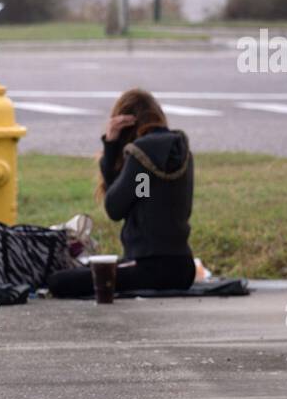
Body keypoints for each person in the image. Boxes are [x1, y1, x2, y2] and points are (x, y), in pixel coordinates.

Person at [49, 88, 195, 298]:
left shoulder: (141, 153)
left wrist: (110, 147)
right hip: (183, 267)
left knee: (59, 281)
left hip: (152, 269)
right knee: (94, 269)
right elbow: (142, 194)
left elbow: (115, 208)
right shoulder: (181, 153)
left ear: (125, 122)